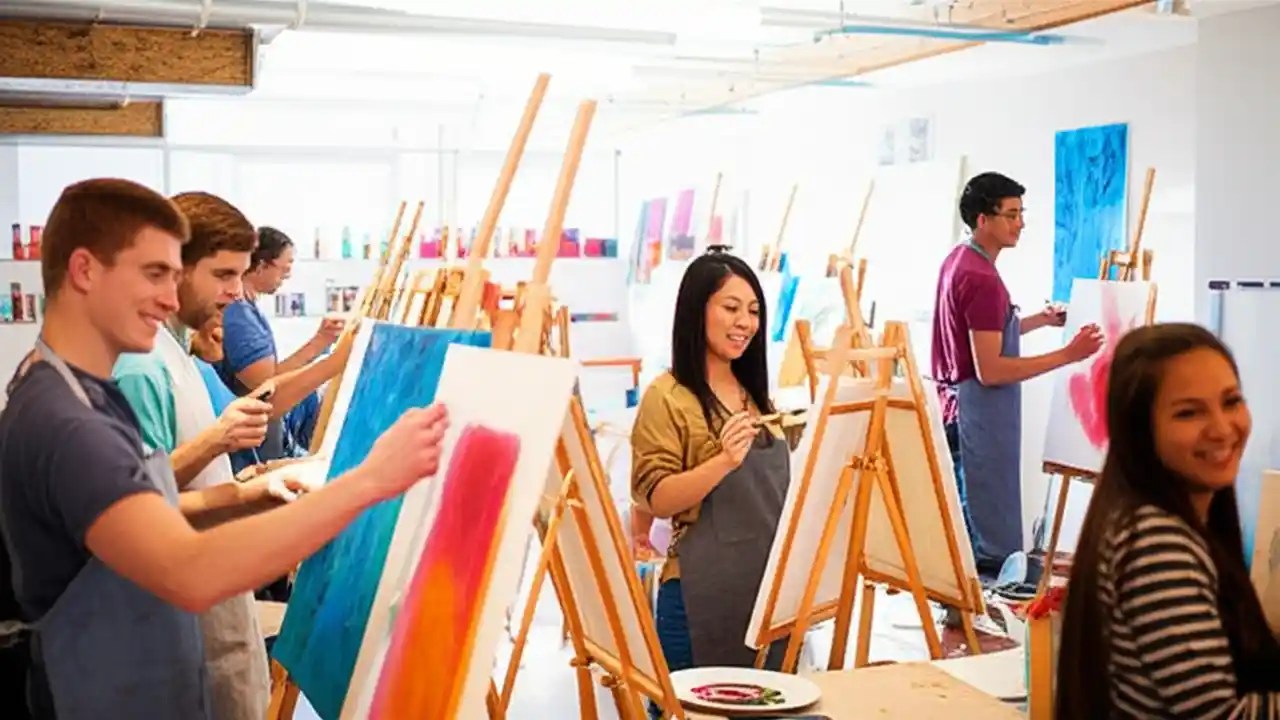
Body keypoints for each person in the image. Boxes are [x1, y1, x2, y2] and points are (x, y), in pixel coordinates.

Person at [0, 177, 450, 720]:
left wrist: (249, 491)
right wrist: (369, 481)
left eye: (174, 274)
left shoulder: (81, 389)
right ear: (85, 271)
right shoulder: (69, 419)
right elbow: (188, 569)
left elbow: (156, 504)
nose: (170, 298)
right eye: (155, 275)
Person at [110, 191, 351, 717]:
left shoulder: (177, 353)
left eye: (240, 276)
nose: (235, 294)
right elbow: (133, 503)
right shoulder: (142, 365)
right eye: (223, 276)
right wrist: (235, 469)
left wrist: (265, 475)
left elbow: (212, 459)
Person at [1055, 323, 1280, 718]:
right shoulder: (1157, 543)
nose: (1223, 428)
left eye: (1231, 402)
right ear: (1141, 430)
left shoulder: (1151, 518)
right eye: (1189, 413)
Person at [931, 171, 1103, 583]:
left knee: (973, 531)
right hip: (976, 417)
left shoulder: (960, 260)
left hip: (955, 409)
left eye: (1021, 213)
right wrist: (1068, 353)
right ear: (982, 220)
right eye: (1010, 215)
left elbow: (982, 337)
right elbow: (990, 369)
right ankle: (985, 639)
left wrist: (1040, 321)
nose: (1020, 223)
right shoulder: (982, 278)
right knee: (989, 550)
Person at [630, 247, 790, 680]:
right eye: (731, 307)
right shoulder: (668, 396)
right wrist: (722, 461)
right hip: (699, 596)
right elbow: (656, 498)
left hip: (765, 595)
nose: (745, 323)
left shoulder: (753, 393)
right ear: (696, 311)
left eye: (754, 311)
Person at [218, 226, 337, 468]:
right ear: (261, 265)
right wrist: (323, 351)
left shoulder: (248, 310)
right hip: (255, 449)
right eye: (284, 267)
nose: (287, 275)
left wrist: (321, 343)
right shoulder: (238, 314)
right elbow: (267, 387)